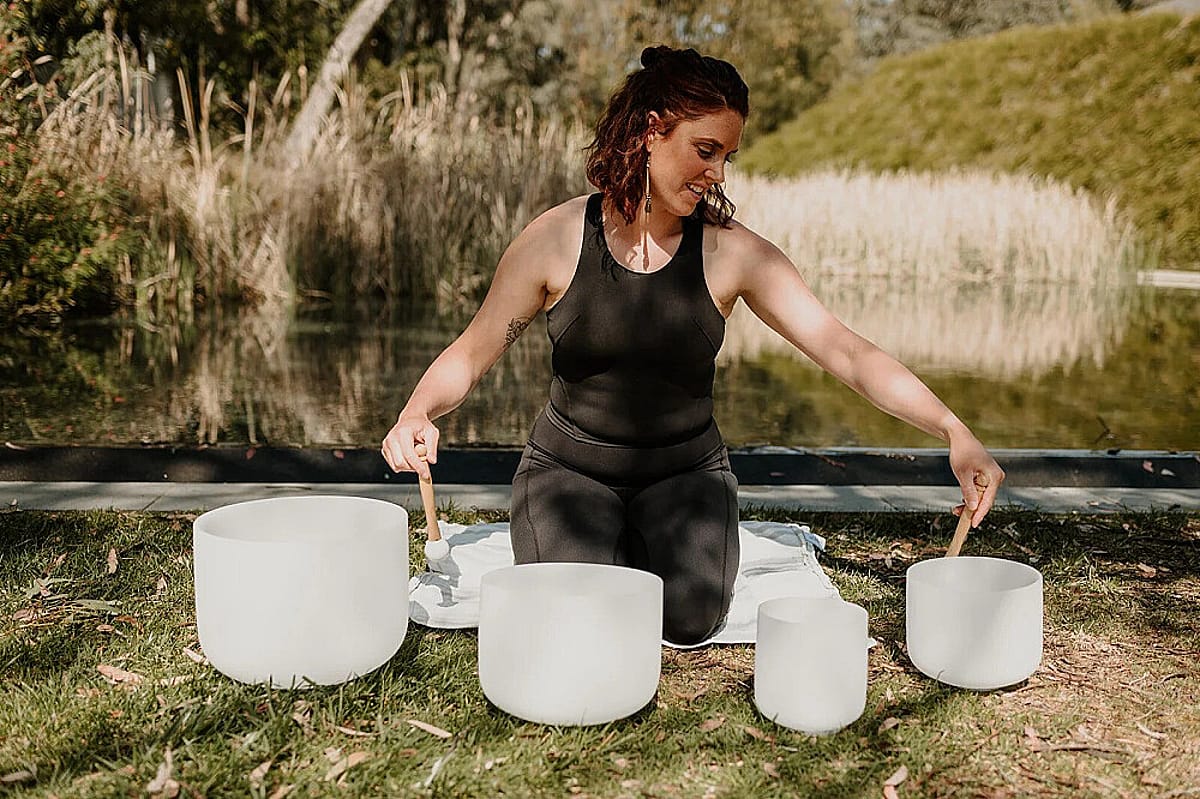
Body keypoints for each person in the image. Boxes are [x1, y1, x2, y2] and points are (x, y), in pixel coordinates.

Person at [381, 45, 1005, 645]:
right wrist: (418, 412)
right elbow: (471, 352)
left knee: (687, 616)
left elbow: (845, 350)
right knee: (563, 604)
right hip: (568, 471)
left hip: (685, 473)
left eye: (728, 156)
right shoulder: (558, 237)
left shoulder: (734, 253)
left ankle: (640, 547)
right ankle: (602, 545)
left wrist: (952, 428)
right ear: (651, 131)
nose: (717, 174)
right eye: (705, 151)